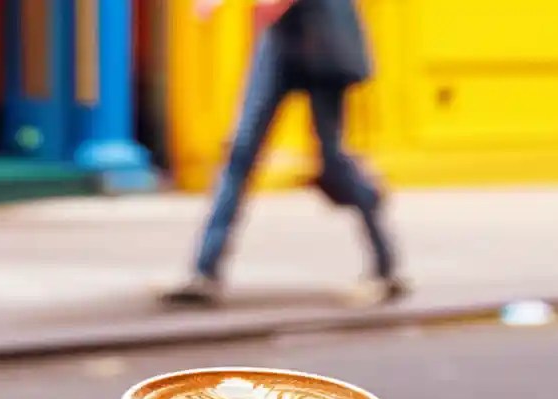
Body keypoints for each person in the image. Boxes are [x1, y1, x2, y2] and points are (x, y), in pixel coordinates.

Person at [161, 0, 408, 307]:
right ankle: (204, 272)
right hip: (280, 38)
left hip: (323, 32)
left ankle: (386, 266)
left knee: (332, 160)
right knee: (241, 151)